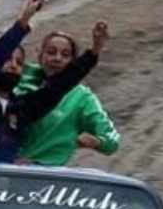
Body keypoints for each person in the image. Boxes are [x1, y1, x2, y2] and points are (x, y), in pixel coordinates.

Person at [0, 22, 109, 163]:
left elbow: (59, 86)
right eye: (6, 59)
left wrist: (94, 51)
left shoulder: (20, 108)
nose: (13, 65)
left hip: (5, 184)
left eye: (19, 63)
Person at [15, 25, 119, 166]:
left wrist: (98, 142)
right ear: (40, 55)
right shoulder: (19, 76)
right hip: (1, 167)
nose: (57, 58)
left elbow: (111, 139)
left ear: (73, 62)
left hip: (44, 176)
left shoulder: (81, 98)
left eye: (65, 55)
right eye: (51, 52)